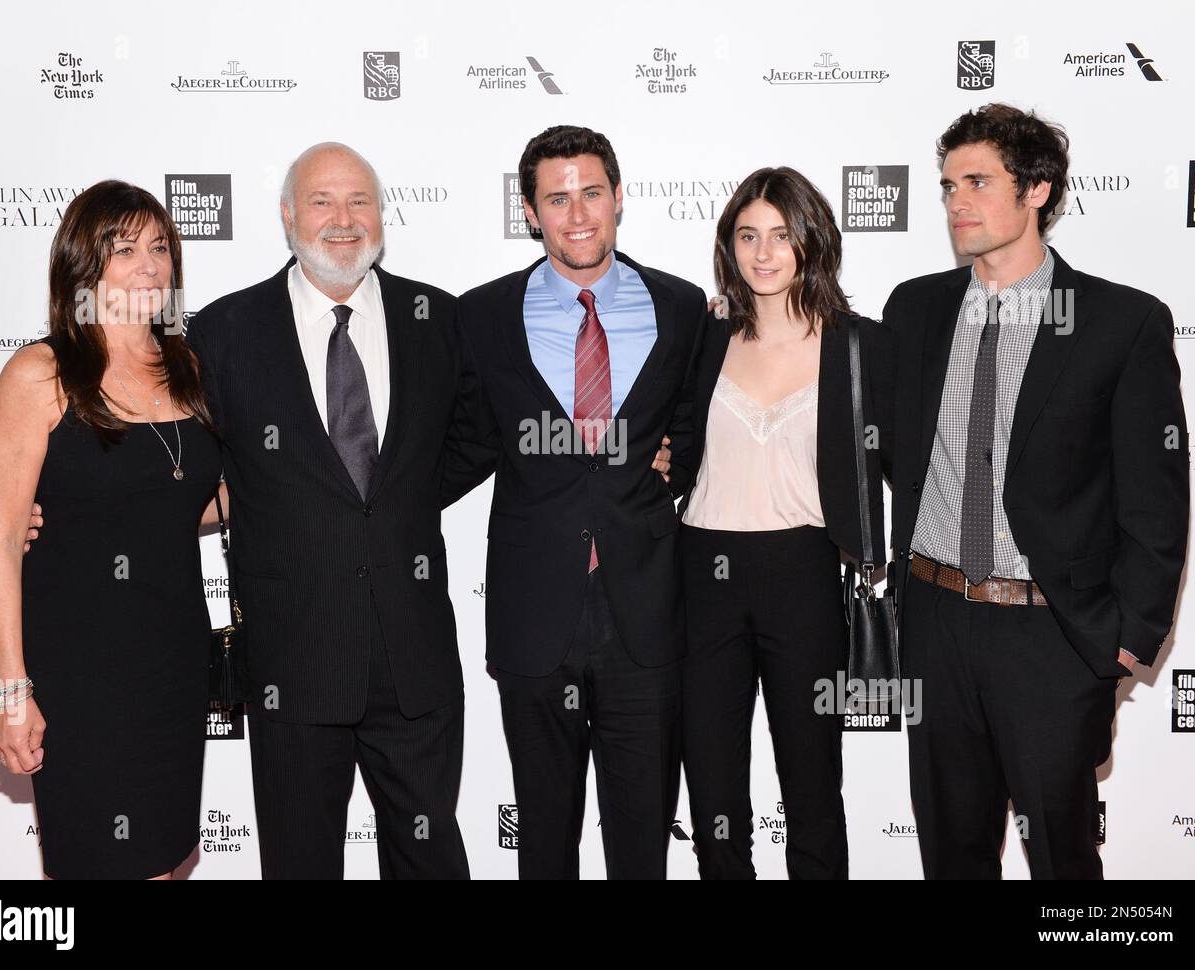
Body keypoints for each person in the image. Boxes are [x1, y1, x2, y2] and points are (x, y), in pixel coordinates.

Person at [883, 103, 1189, 879]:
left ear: (1039, 190)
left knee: (1062, 858)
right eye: (949, 184)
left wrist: (1125, 638)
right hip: (936, 621)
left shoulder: (1120, 323)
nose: (957, 201)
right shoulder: (915, 309)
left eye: (979, 182)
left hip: (1051, 634)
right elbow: (867, 433)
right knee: (951, 855)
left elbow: (1156, 504)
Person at [181, 142, 486, 880]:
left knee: (429, 858)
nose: (343, 220)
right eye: (322, 202)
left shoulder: (437, 318)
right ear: (288, 216)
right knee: (299, 864)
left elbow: (473, 440)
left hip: (414, 661)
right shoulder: (224, 332)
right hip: (293, 660)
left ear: (383, 216)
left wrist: (391, 507)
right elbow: (188, 473)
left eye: (360, 202)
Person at [451, 125, 706, 879]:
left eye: (592, 192)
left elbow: (696, 424)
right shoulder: (481, 315)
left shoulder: (683, 306)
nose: (578, 214)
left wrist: (674, 461)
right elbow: (463, 440)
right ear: (530, 212)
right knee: (545, 842)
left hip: (646, 613)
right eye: (556, 199)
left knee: (642, 846)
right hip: (536, 617)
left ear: (619, 197)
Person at [0, 180, 223, 880]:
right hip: (82, 673)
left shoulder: (190, 369)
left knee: (170, 861)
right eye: (124, 250)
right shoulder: (41, 374)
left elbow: (183, 502)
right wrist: (9, 693)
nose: (149, 264)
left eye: (159, 248)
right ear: (84, 266)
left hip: (174, 664)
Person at [668, 167, 893, 879]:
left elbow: (909, 462)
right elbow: (668, 445)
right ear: (728, 247)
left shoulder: (859, 346)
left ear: (811, 241)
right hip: (701, 575)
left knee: (813, 786)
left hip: (803, 575)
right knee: (712, 789)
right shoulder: (703, 339)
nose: (764, 253)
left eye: (781, 235)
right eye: (747, 236)